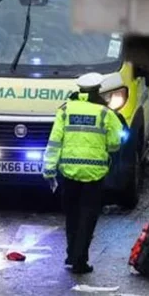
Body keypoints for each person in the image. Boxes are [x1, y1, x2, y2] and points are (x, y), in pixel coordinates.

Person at [43, 72, 124, 274]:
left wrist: (49, 169)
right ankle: (80, 260)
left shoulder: (65, 110)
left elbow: (54, 142)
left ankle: (71, 255)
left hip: (69, 173)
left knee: (72, 216)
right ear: (98, 90)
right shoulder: (106, 113)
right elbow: (115, 143)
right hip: (94, 175)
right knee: (88, 218)